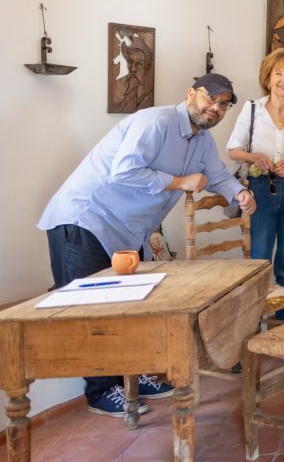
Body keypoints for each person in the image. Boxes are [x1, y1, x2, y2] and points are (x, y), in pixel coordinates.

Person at [38, 74, 254, 416]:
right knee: (90, 312)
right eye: (210, 98)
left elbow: (217, 175)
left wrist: (238, 193)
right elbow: (124, 171)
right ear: (191, 94)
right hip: (85, 219)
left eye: (224, 103)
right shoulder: (156, 122)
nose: (215, 107)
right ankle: (101, 391)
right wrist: (181, 182)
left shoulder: (203, 141)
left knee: (129, 308)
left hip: (127, 232)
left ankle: (132, 377)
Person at [226, 49, 284, 321]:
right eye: (278, 73)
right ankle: (250, 330)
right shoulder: (252, 110)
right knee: (259, 264)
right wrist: (254, 156)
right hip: (260, 191)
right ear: (268, 78)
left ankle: (283, 330)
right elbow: (233, 149)